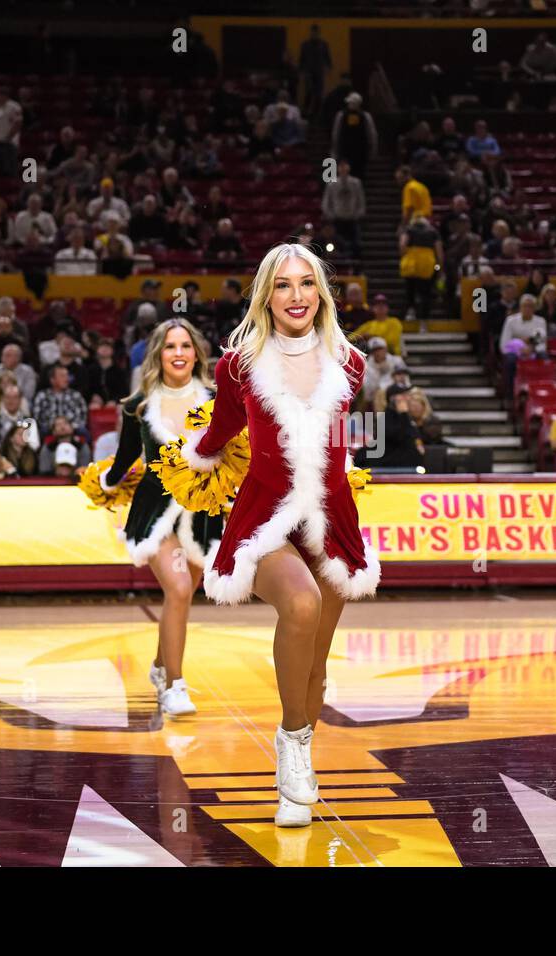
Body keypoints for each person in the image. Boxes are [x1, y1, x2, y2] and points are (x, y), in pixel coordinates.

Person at [177, 243, 380, 828]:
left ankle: (302, 745)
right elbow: (221, 430)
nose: (297, 296)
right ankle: (291, 747)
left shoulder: (351, 360)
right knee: (299, 603)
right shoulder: (237, 364)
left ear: (322, 294)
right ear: (267, 293)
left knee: (315, 664)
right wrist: (192, 460)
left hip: (333, 519)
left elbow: (331, 444)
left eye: (307, 284)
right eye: (284, 285)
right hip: (265, 515)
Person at [98, 318, 225, 717]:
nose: (179, 353)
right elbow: (124, 458)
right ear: (158, 354)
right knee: (181, 588)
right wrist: (104, 482)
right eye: (170, 346)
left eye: (185, 346)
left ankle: (159, 666)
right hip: (156, 513)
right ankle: (174, 686)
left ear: (196, 353)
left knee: (181, 597)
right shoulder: (137, 406)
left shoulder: (215, 400)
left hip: (203, 514)